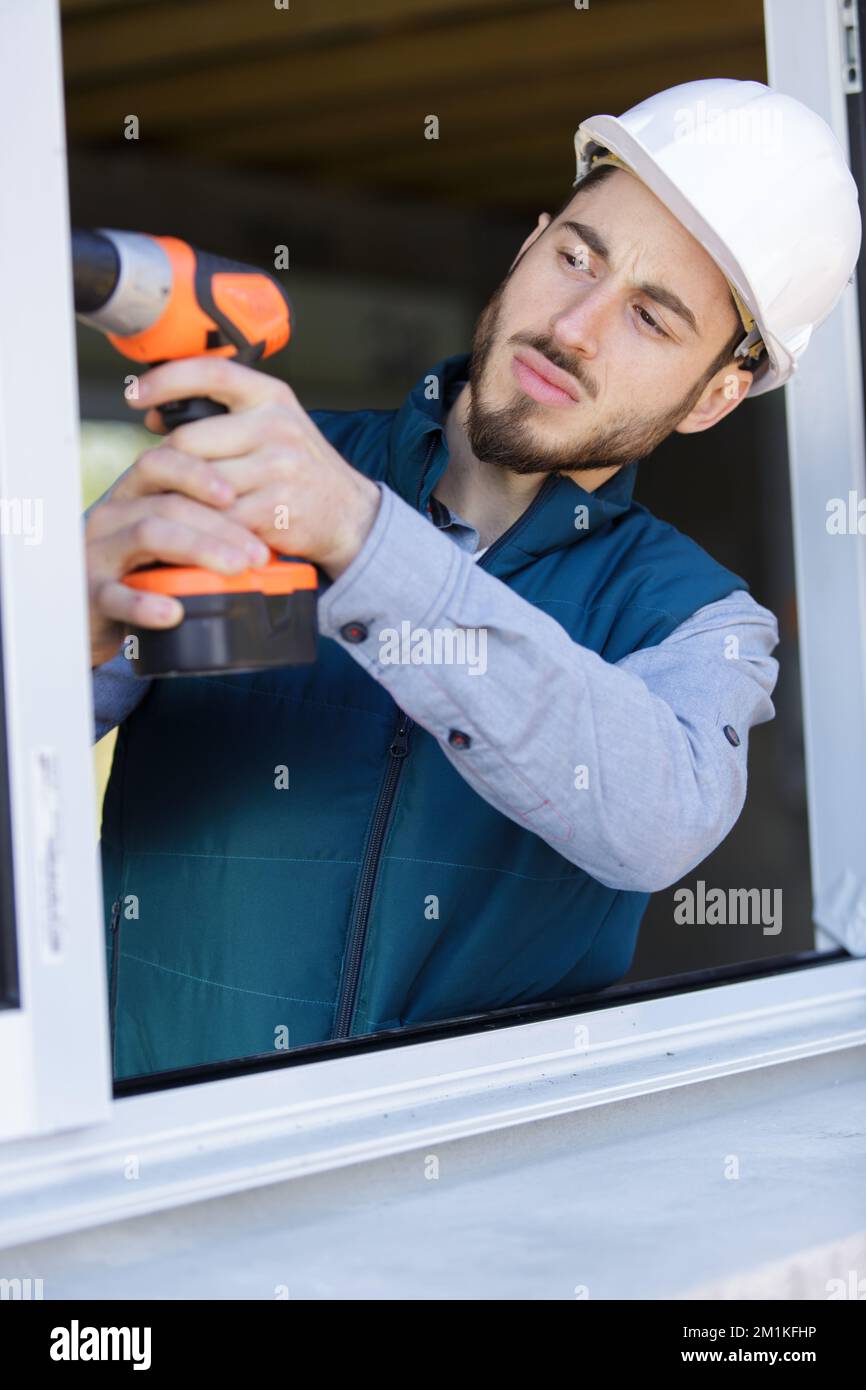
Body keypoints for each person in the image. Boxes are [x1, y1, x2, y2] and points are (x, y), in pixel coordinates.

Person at [86, 78, 861, 1078]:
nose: (574, 325)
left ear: (712, 397)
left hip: (467, 1208)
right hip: (154, 1152)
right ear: (528, 242)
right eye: (575, 256)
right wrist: (64, 622)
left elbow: (653, 816)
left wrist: (366, 544)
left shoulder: (695, 618)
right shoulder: (254, 466)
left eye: (652, 319)